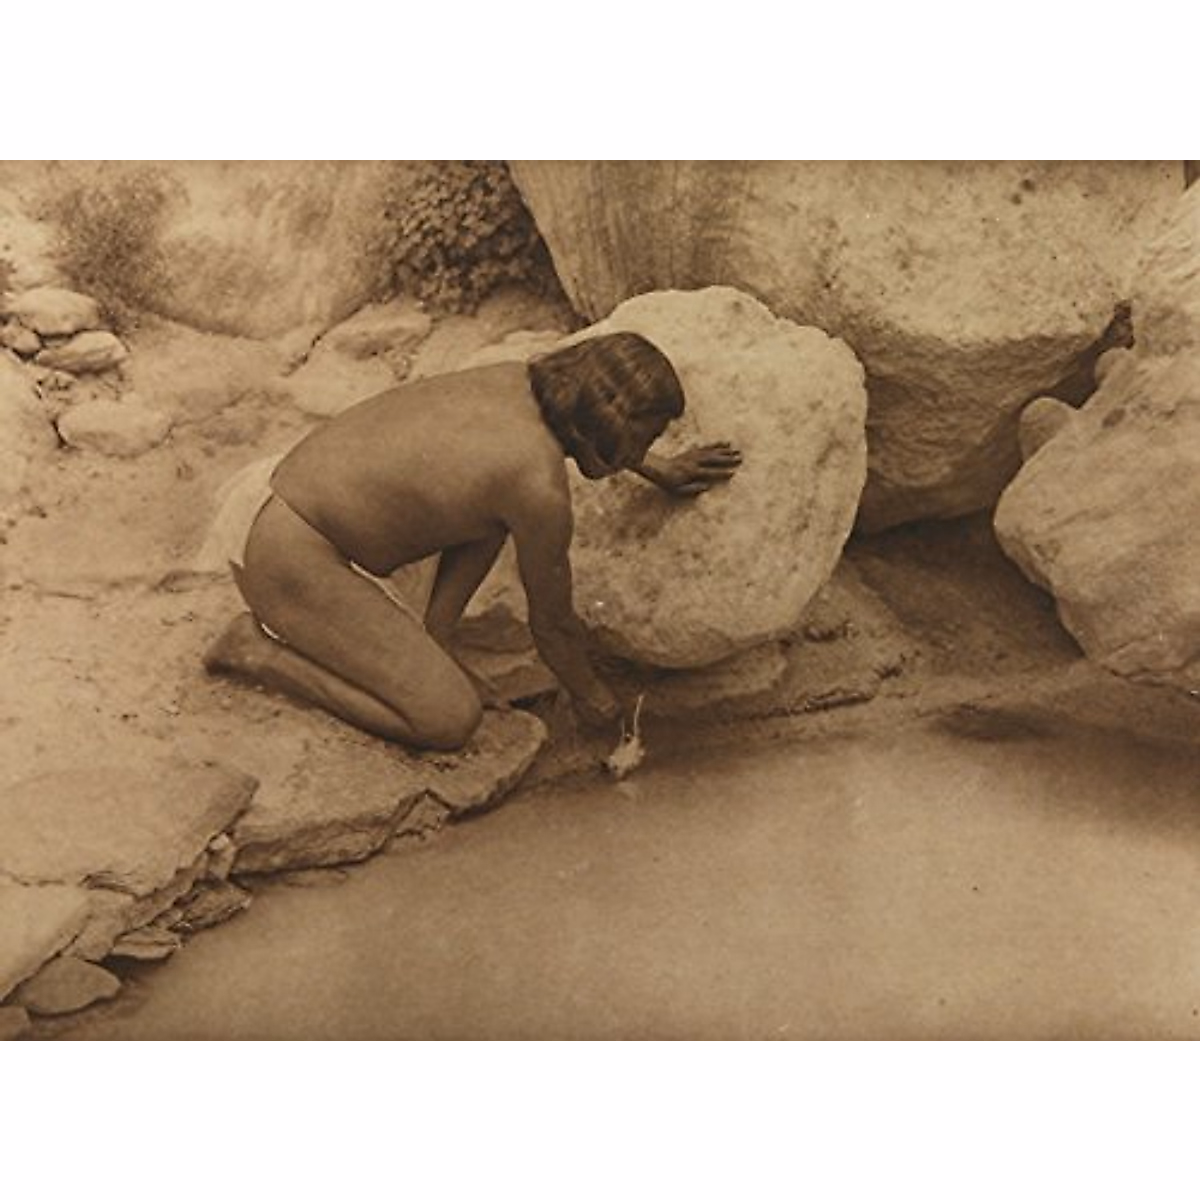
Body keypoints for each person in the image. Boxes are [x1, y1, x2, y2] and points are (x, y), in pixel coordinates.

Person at [204, 331, 742, 750]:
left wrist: (660, 468)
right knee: (448, 717)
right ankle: (254, 651)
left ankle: (433, 639)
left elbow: (588, 421)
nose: (642, 451)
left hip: (270, 495)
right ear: (611, 423)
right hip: (284, 553)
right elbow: (552, 626)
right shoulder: (537, 485)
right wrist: (594, 698)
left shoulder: (522, 379)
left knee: (491, 513)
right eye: (644, 440)